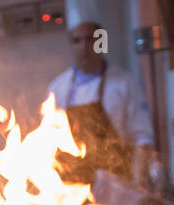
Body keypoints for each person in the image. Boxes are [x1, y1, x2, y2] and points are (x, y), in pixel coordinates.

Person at [47, 15, 158, 188]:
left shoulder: (124, 83)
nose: (84, 47)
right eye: (77, 40)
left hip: (118, 184)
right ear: (71, 45)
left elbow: (143, 137)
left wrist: (141, 176)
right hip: (72, 190)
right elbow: (49, 141)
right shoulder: (58, 87)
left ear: (101, 42)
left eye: (91, 39)